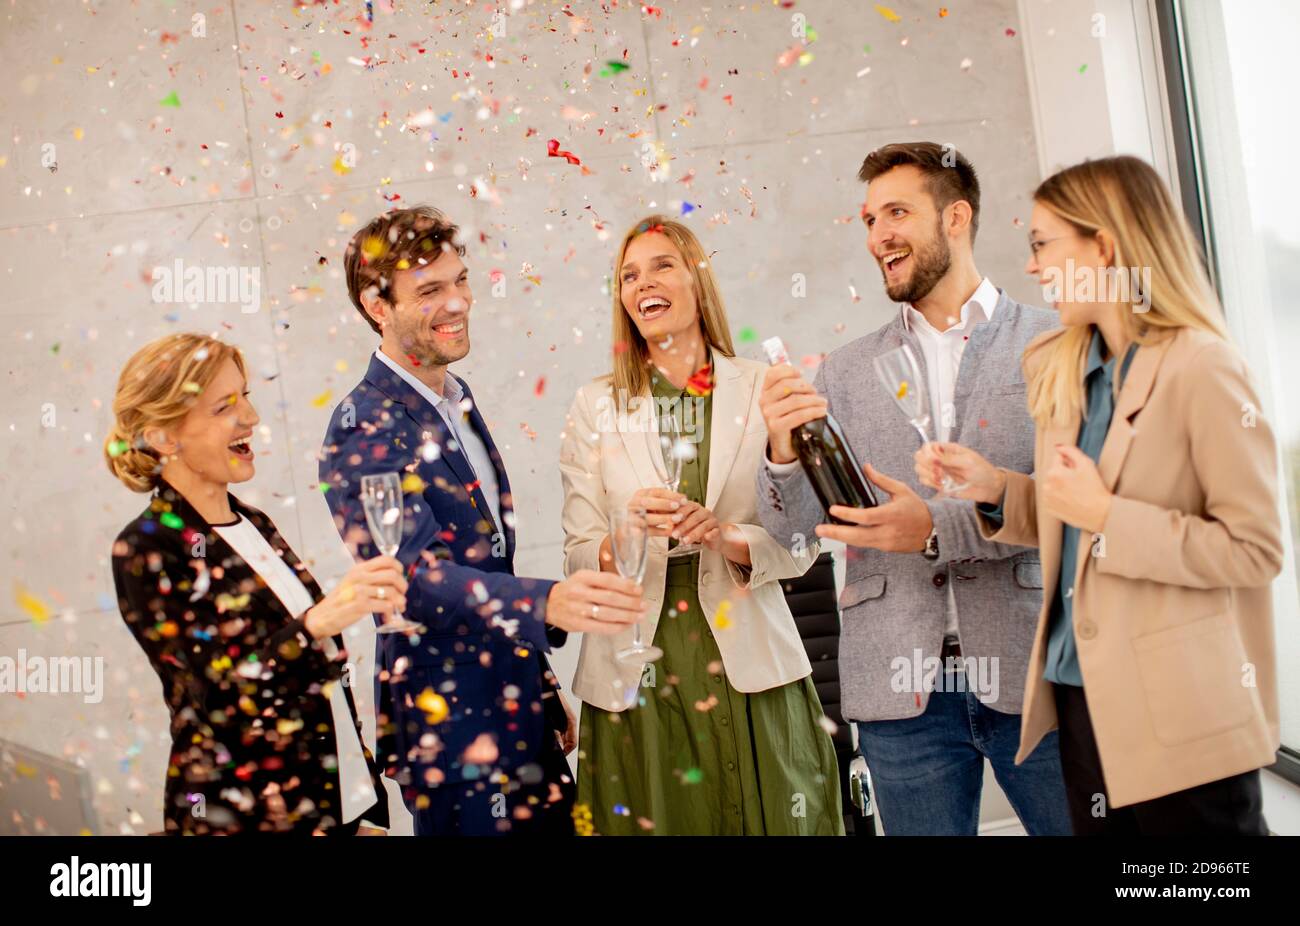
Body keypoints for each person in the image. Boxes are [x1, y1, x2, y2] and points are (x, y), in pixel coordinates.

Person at [917, 155, 1282, 835]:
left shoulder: (1202, 368)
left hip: (1182, 716)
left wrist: (1108, 515)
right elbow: (1073, 521)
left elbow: (1255, 550)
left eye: (1042, 244)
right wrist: (996, 489)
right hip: (1082, 702)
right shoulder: (1067, 372)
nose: (1032, 266)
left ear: (1104, 246)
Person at [757, 142, 1072, 835]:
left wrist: (933, 527)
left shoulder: (1055, 345)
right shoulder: (842, 370)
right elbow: (790, 536)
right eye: (869, 220)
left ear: (956, 217)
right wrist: (781, 451)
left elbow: (1076, 510)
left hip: (1036, 672)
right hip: (902, 695)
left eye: (897, 212)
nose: (878, 237)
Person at [319, 205, 644, 836]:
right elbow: (411, 579)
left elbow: (489, 563)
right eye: (430, 291)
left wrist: (540, 681)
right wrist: (551, 602)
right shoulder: (362, 425)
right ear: (377, 305)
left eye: (460, 280)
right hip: (450, 722)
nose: (458, 302)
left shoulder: (455, 395)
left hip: (514, 695)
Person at [559, 215, 843, 835]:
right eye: (628, 275)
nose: (643, 284)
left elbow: (800, 545)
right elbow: (579, 557)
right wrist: (626, 537)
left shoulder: (764, 388)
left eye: (662, 265)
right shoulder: (594, 405)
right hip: (635, 669)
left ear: (697, 278)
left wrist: (721, 534)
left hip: (748, 656)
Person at [108, 332, 399, 835]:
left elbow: (310, 677)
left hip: (337, 807)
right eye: (224, 406)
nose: (250, 417)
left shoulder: (255, 523)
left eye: (246, 396)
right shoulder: (149, 548)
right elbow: (218, 697)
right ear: (162, 436)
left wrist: (361, 794)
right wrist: (320, 622)